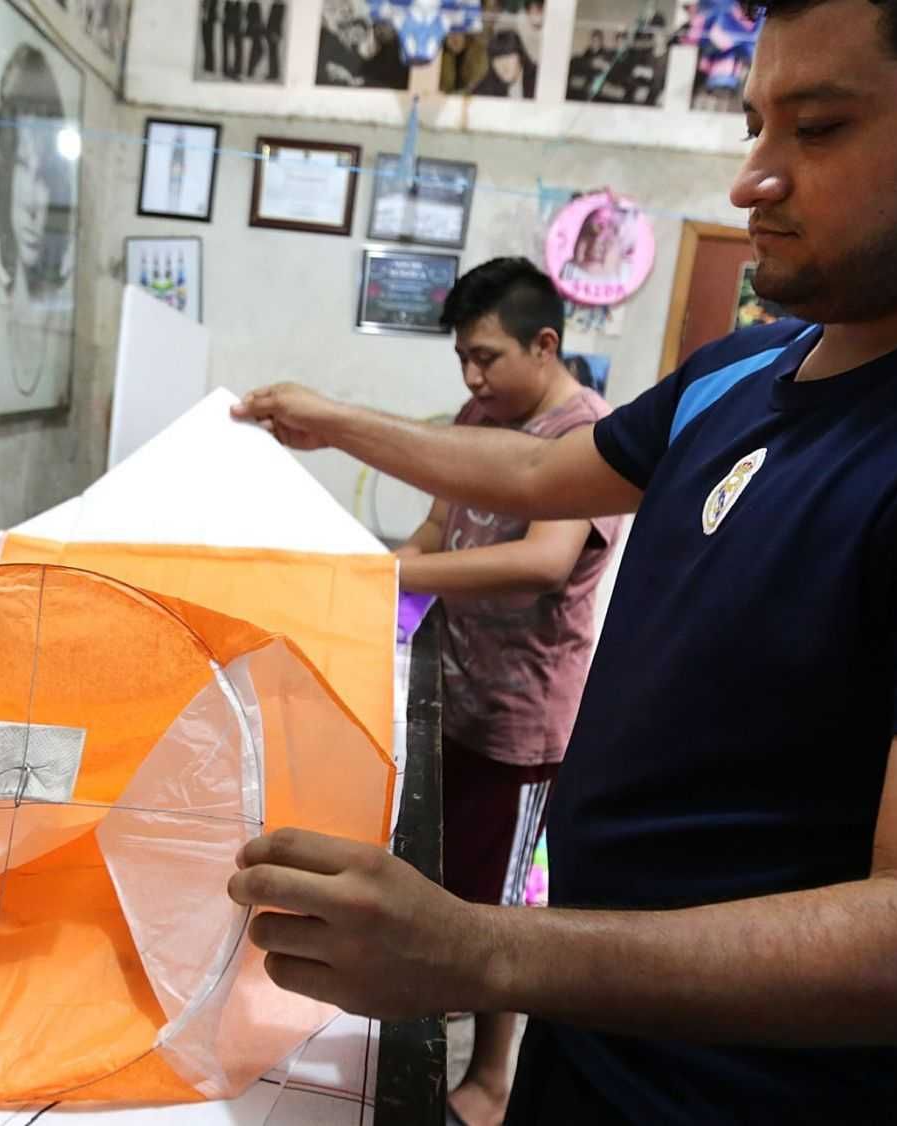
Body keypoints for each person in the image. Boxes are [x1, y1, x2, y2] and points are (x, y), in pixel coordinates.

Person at [228, 2, 897, 1122]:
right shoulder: (754, 366)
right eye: (755, 124)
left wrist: (478, 947)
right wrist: (337, 422)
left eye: (815, 129)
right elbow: (535, 476)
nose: (750, 181)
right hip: (594, 1052)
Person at [392, 259, 619, 1126]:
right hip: (452, 694)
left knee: (499, 914)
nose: (472, 378)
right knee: (445, 885)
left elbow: (540, 564)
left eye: (486, 357)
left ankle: (490, 1082)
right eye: (461, 359)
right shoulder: (478, 419)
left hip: (524, 720)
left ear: (545, 342)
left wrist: (404, 572)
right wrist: (377, 580)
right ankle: (437, 1020)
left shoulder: (586, 436)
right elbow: (437, 525)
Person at [0, 44, 75, 411]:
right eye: (23, 168)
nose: (36, 202)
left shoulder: (57, 319)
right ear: (3, 173)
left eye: (45, 176)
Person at [473, 30, 536, 98]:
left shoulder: (539, 78)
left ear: (521, 56)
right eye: (498, 59)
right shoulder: (483, 88)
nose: (504, 66)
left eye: (508, 57)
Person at [441, 29, 490, 95]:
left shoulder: (477, 54)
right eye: (449, 33)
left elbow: (475, 81)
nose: (454, 37)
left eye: (458, 32)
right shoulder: (441, 56)